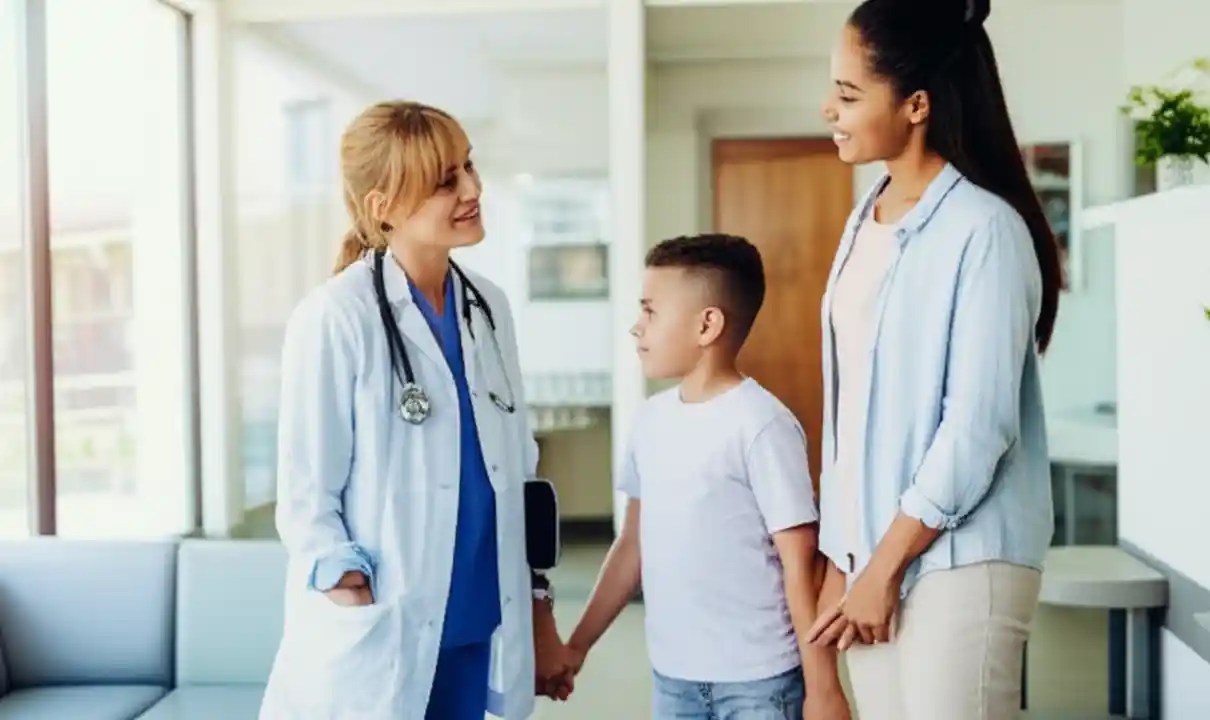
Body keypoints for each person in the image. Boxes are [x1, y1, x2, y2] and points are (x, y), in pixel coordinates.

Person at [259, 100, 572, 720]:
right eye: (445, 180)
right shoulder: (334, 318)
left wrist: (538, 611)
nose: (473, 190)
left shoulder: (489, 307)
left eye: (469, 168)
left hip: (480, 619)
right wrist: (349, 589)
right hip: (386, 632)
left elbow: (521, 476)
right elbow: (305, 498)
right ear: (383, 206)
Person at [804, 1, 1062, 718]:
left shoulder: (986, 230)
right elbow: (851, 414)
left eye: (849, 93)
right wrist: (841, 556)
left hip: (958, 559)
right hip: (872, 561)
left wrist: (883, 565)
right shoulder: (867, 220)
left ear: (916, 103)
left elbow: (978, 427)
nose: (829, 107)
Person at [558, 234, 850, 719]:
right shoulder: (649, 421)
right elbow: (632, 546)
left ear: (707, 324)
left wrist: (823, 690)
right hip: (674, 682)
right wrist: (578, 645)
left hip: (760, 684)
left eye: (650, 311)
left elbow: (801, 568)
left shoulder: (762, 424)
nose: (637, 328)